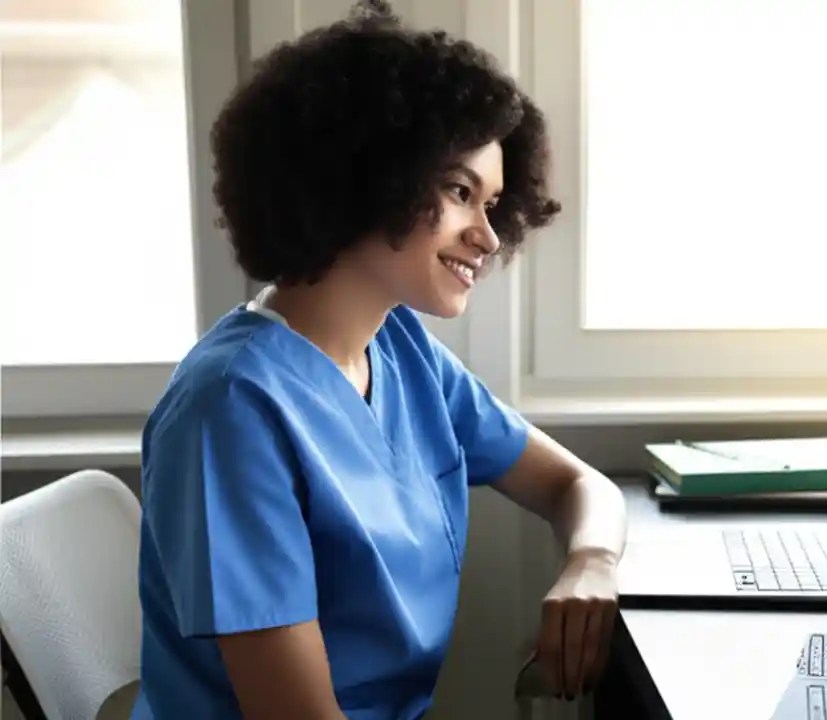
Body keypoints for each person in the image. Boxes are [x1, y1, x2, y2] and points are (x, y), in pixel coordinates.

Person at [131, 2, 626, 718]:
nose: (487, 237)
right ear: (365, 173)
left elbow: (579, 485)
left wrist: (591, 561)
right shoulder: (231, 411)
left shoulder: (400, 350)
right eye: (460, 192)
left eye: (492, 203)